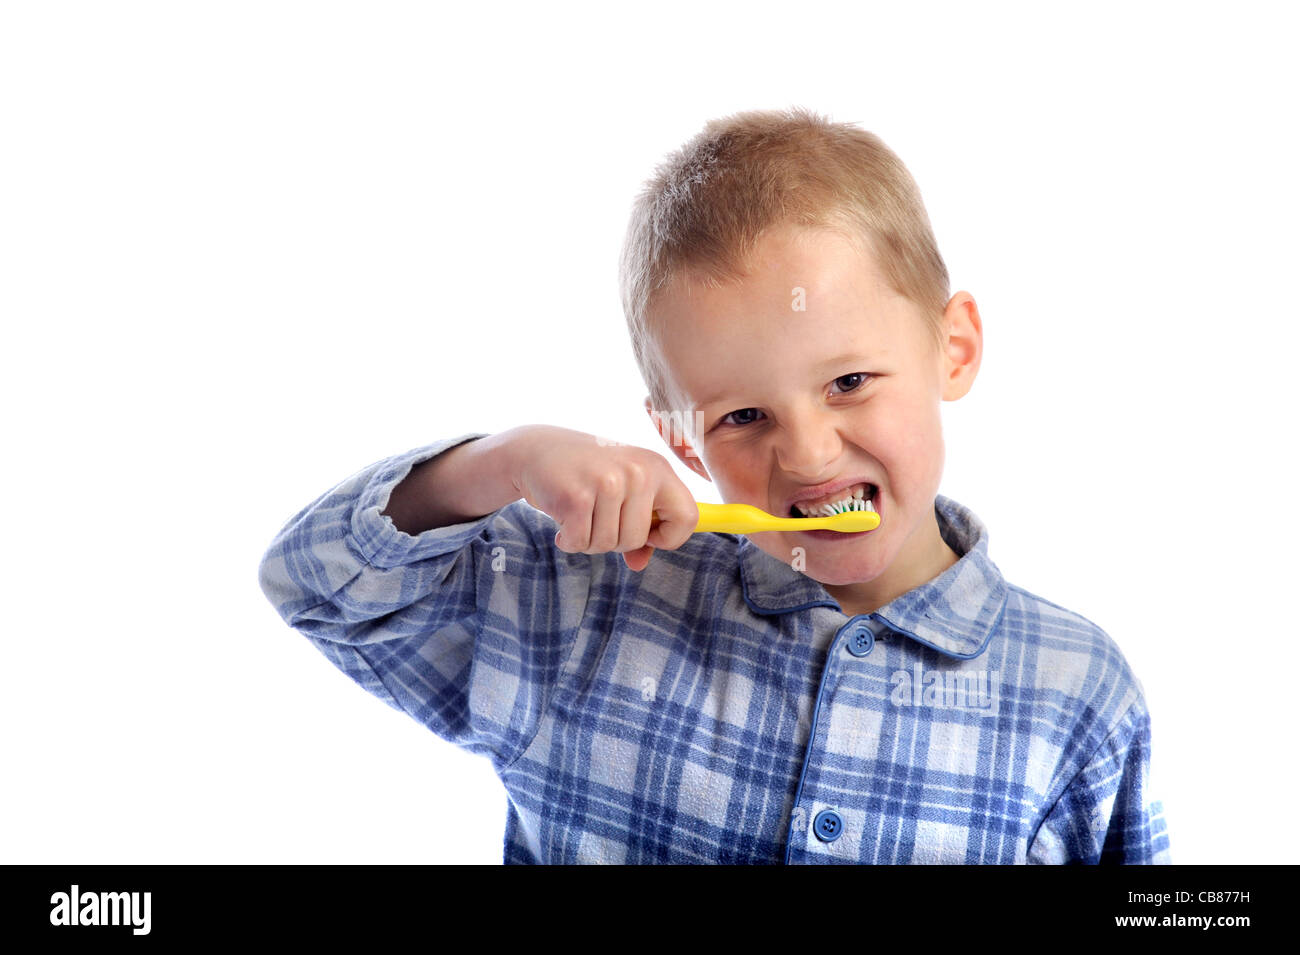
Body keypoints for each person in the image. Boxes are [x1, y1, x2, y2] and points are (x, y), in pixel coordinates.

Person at [258, 107, 1170, 864]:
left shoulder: (1078, 691)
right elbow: (314, 582)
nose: (809, 456)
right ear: (679, 440)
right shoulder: (589, 600)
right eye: (742, 418)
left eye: (848, 381)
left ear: (954, 347)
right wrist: (503, 460)